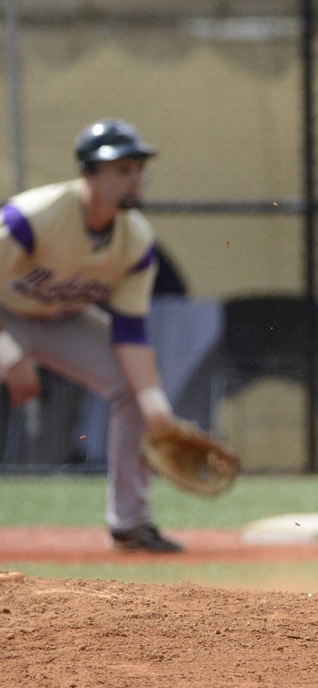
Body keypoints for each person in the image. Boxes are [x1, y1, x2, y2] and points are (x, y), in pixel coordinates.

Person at [0, 119, 188, 551]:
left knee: (134, 392)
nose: (135, 179)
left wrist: (156, 405)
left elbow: (130, 329)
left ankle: (132, 525)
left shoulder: (136, 241)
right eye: (122, 170)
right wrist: (9, 353)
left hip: (63, 320)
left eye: (138, 169)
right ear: (88, 172)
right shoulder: (31, 218)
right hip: (4, 316)